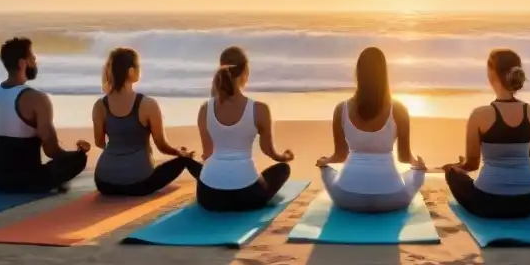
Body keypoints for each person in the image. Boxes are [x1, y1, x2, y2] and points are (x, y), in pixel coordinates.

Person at [0, 37, 89, 193]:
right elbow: (51, 151)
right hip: (28, 179)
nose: (35, 61)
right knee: (78, 159)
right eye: (33, 57)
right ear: (23, 63)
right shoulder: (37, 99)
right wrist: (77, 152)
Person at [316, 47, 427, 213]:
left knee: (327, 171)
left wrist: (325, 162)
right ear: (384, 74)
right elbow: (404, 157)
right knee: (415, 174)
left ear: (358, 74)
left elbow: (340, 156)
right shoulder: (399, 109)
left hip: (347, 197)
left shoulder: (341, 109)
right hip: (391, 198)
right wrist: (418, 165)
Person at [443, 49, 530, 219]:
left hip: (489, 202)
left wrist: (455, 167)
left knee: (452, 174)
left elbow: (472, 165)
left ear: (491, 74)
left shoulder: (479, 115)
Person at [92, 48, 202, 197]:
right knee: (184, 160)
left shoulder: (100, 105)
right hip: (138, 184)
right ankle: (215, 185)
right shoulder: (148, 104)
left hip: (104, 182)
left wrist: (120, 147)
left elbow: (99, 142)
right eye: (138, 66)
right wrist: (179, 152)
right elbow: (161, 146)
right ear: (131, 71)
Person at [196, 46, 295, 211]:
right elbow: (269, 151)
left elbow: (207, 153)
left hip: (208, 197)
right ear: (246, 72)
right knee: (283, 169)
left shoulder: (205, 109)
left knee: (208, 171)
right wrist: (284, 156)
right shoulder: (260, 109)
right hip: (247, 196)